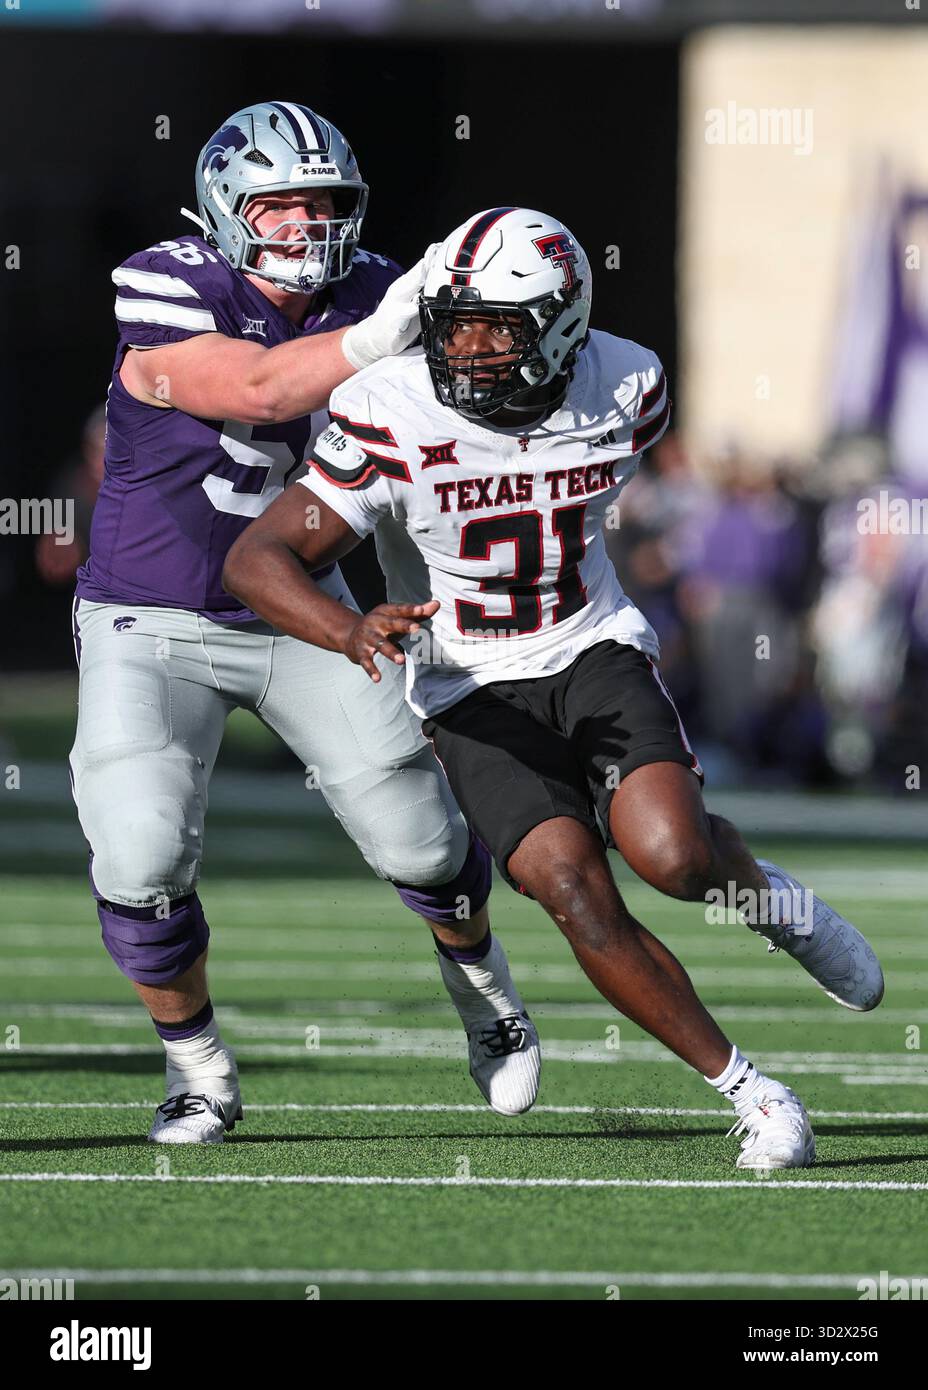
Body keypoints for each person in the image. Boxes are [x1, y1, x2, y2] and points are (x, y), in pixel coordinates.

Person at [223, 207, 885, 1170]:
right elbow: (258, 557)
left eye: (497, 326)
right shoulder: (392, 407)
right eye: (454, 323)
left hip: (588, 648)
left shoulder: (627, 385)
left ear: (564, 328)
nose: (469, 348)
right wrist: (346, 624)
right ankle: (753, 1091)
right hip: (466, 687)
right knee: (572, 887)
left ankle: (769, 897)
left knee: (673, 856)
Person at [69, 115, 540, 1146]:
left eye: (324, 205)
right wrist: (395, 327)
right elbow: (255, 386)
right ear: (226, 207)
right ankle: (198, 1070)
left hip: (303, 610)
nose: (306, 226)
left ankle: (485, 995)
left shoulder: (376, 288)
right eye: (281, 204)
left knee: (422, 840)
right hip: (150, 614)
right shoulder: (167, 279)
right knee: (140, 849)